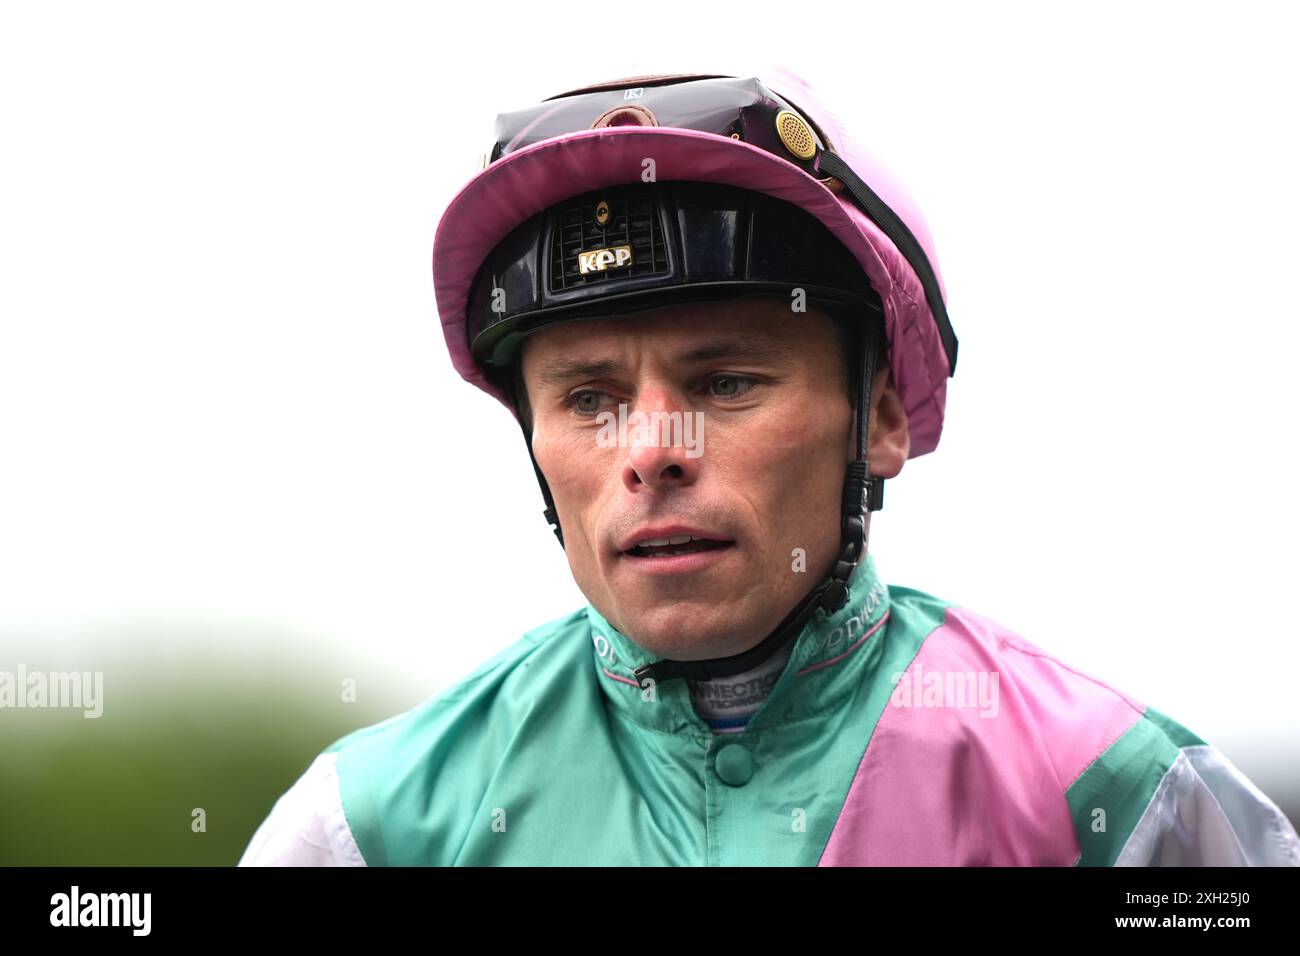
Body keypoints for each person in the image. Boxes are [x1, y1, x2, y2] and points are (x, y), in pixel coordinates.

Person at [238, 68, 1299, 866]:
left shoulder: (1114, 793)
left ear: (878, 416)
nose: (652, 450)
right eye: (589, 400)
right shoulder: (366, 825)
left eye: (726, 383)